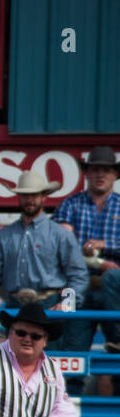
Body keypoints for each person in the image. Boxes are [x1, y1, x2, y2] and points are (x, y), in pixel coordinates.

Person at [0, 172, 88, 334]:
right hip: (15, 304)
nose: (30, 200)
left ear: (44, 197)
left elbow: (78, 274)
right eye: (25, 195)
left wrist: (68, 302)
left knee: (49, 356)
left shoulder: (60, 235)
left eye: (34, 195)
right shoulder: (3, 237)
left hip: (50, 305)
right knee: (15, 357)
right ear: (18, 197)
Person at [54, 146, 120, 354]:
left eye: (106, 170)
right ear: (87, 173)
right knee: (73, 353)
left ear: (115, 175)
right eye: (95, 169)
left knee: (117, 354)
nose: (100, 174)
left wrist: (104, 245)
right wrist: (99, 262)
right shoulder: (69, 205)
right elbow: (58, 248)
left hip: (114, 290)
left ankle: (118, 339)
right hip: (78, 285)